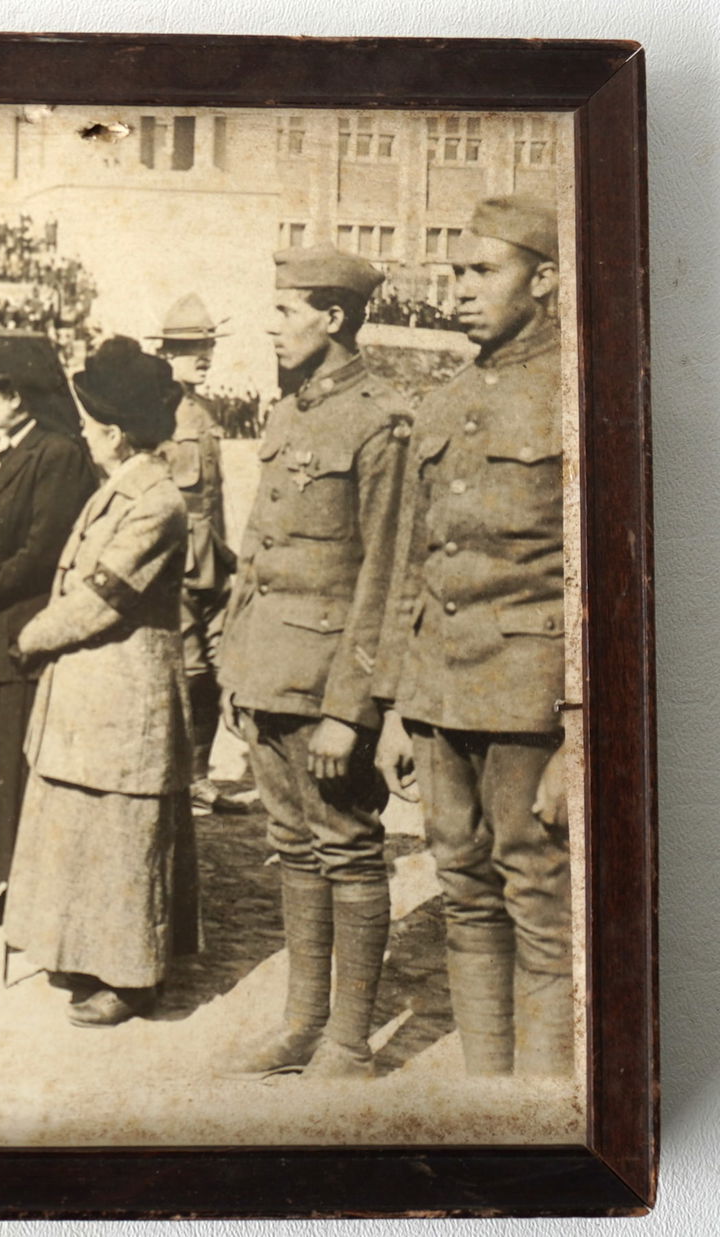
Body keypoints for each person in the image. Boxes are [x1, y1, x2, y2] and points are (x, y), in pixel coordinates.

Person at [372, 197, 573, 1077]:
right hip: (439, 690)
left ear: (547, 279)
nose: (458, 290)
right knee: (461, 882)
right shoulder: (445, 397)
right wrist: (392, 708)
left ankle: (548, 1102)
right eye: (454, 273)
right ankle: (488, 1093)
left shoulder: (580, 389)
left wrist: (581, 728)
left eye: (482, 272)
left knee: (538, 892)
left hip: (530, 690)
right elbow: (410, 564)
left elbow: (605, 579)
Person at [215, 247, 412, 1081]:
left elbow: (387, 572)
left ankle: (348, 1041)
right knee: (292, 845)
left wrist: (352, 708)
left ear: (333, 318)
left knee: (348, 848)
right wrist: (235, 663)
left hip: (329, 681)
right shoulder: (290, 409)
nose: (271, 326)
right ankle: (302, 1023)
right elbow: (259, 549)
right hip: (267, 665)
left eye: (286, 311)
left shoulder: (380, 417)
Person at [2, 336, 192, 1028]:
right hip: (92, 685)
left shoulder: (157, 501)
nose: (85, 432)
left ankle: (132, 977)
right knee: (80, 821)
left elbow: (102, 599)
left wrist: (31, 637)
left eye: (92, 422)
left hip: (126, 687)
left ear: (114, 432)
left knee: (123, 832)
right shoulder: (122, 486)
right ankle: (83, 951)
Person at [0, 332, 96, 927]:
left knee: (18, 769)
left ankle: (30, 890)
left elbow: (39, 554)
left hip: (20, 632)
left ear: (17, 395)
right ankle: (11, 882)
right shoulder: (1, 450)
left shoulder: (56, 455)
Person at [147, 293, 241, 816]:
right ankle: (174, 776)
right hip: (174, 559)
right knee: (186, 669)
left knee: (213, 670)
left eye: (206, 346)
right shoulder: (157, 413)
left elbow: (215, 495)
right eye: (189, 348)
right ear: (166, 354)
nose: (202, 356)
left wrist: (227, 559)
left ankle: (199, 774)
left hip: (211, 558)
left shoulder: (205, 412)